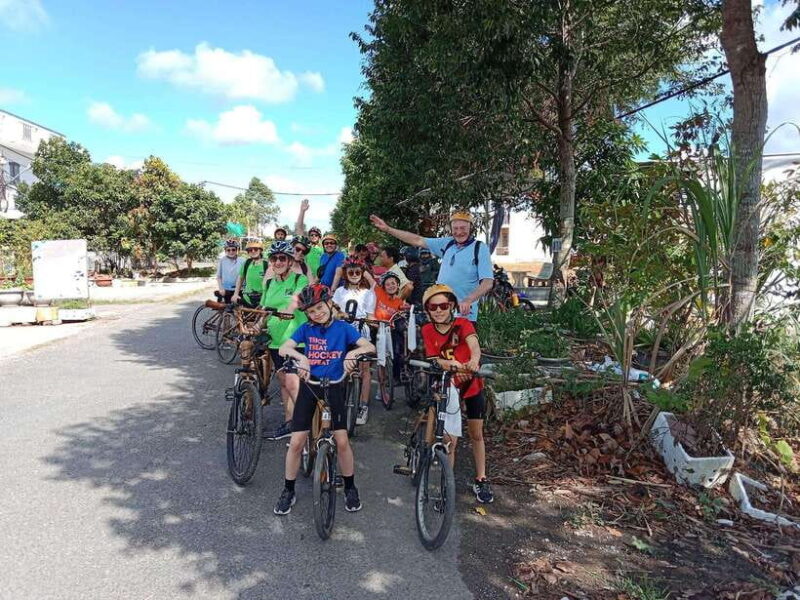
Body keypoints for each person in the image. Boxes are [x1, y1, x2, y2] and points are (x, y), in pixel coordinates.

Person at [274, 284, 375, 515]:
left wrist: (353, 353)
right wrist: (300, 358)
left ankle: (350, 487)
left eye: (319, 307)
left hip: (336, 386)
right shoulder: (306, 329)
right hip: (311, 387)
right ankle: (288, 490)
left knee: (341, 441)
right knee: (297, 441)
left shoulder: (343, 328)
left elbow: (367, 345)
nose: (316, 313)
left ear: (329, 304)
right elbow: (284, 348)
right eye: (311, 311)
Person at [420, 284, 493, 504]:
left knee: (476, 433)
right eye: (434, 307)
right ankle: (446, 484)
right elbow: (435, 360)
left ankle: (481, 478)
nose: (439, 310)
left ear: (451, 305)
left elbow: (474, 344)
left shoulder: (463, 324)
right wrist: (449, 364)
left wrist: (473, 361)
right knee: (450, 440)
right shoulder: (427, 330)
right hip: (446, 383)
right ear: (428, 310)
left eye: (443, 305)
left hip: (470, 382)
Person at [369, 210, 493, 322]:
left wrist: (468, 300)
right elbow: (417, 240)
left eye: (463, 228)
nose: (459, 232)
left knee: (463, 347)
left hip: (464, 314)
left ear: (470, 228)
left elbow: (487, 282)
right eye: (455, 228)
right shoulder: (447, 243)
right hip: (440, 312)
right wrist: (388, 229)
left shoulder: (479, 248)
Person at [261, 240, 309, 441]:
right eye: (274, 259)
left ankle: (305, 426)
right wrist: (256, 325)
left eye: (283, 258)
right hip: (275, 341)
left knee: (293, 384)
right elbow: (263, 310)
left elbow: (295, 301)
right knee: (282, 383)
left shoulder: (300, 280)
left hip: (295, 341)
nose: (278, 262)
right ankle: (290, 423)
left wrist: (287, 311)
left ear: (290, 261)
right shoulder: (270, 283)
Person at [332, 256, 376, 425]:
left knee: (364, 369)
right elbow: (334, 311)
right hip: (343, 331)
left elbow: (371, 315)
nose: (355, 275)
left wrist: (373, 322)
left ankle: (363, 405)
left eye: (358, 272)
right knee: (342, 366)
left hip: (360, 330)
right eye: (351, 272)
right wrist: (338, 315)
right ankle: (339, 399)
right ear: (345, 274)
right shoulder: (339, 292)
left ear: (363, 274)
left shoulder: (368, 293)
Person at [369, 271, 409, 409]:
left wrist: (406, 310)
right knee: (374, 359)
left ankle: (386, 384)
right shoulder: (379, 293)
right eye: (388, 284)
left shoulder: (399, 302)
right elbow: (369, 277)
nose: (391, 286)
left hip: (388, 331)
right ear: (383, 286)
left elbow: (403, 312)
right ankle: (374, 385)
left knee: (388, 357)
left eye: (394, 283)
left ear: (398, 286)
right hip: (374, 328)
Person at [232, 239, 266, 308]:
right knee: (246, 318)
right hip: (247, 299)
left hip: (263, 300)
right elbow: (240, 278)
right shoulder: (246, 263)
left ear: (260, 250)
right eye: (250, 250)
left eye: (256, 249)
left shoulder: (267, 265)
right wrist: (235, 294)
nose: (253, 251)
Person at [293, 199, 323, 275]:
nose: (314, 236)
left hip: (318, 279)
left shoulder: (323, 250)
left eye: (316, 235)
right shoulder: (306, 247)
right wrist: (302, 211)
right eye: (311, 235)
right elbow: (299, 228)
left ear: (319, 237)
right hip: (305, 276)